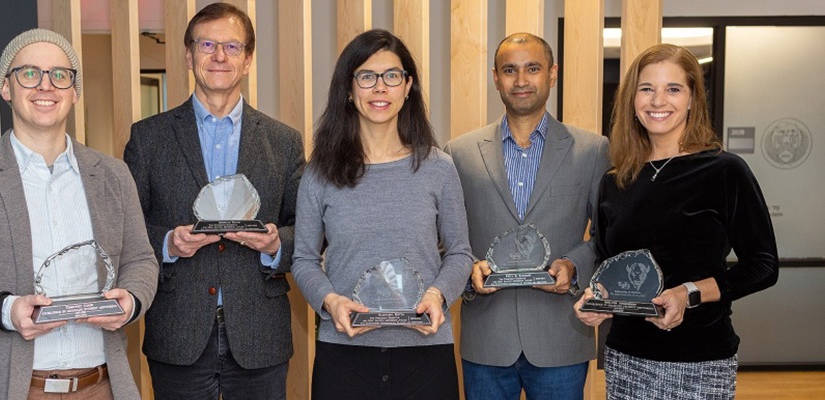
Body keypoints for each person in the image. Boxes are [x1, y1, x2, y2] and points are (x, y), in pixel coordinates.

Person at [0, 29, 159, 400]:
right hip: (12, 389)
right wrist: (6, 310)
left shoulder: (112, 175)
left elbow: (141, 259)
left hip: (103, 387)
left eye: (59, 75)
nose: (46, 86)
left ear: (74, 91)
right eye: (29, 73)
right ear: (5, 87)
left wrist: (132, 301)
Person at [574, 43, 779, 399]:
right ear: (632, 100)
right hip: (626, 358)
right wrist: (596, 300)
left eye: (673, 89)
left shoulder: (724, 171)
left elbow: (763, 265)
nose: (658, 101)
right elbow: (608, 263)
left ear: (692, 99)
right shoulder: (615, 180)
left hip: (700, 360)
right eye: (647, 88)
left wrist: (689, 293)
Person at [123, 3, 304, 399]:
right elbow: (125, 232)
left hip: (260, 332)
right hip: (177, 329)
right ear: (189, 56)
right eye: (207, 44)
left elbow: (307, 232)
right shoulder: (148, 138)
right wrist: (169, 244)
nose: (219, 56)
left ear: (248, 59)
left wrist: (276, 245)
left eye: (232, 47)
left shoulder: (283, 142)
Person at [291, 29, 473, 400]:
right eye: (367, 76)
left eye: (392, 76)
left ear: (408, 87)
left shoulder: (439, 168)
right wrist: (331, 301)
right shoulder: (319, 172)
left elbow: (459, 253)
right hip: (344, 352)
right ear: (348, 88)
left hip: (424, 352)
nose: (380, 88)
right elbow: (304, 260)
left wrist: (438, 295)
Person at [445, 32, 610, 400]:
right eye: (510, 70)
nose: (521, 80)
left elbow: (607, 236)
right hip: (487, 337)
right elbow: (446, 235)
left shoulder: (592, 150)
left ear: (552, 74)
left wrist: (573, 264)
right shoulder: (459, 152)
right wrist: (470, 267)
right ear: (495, 78)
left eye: (532, 68)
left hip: (561, 335)